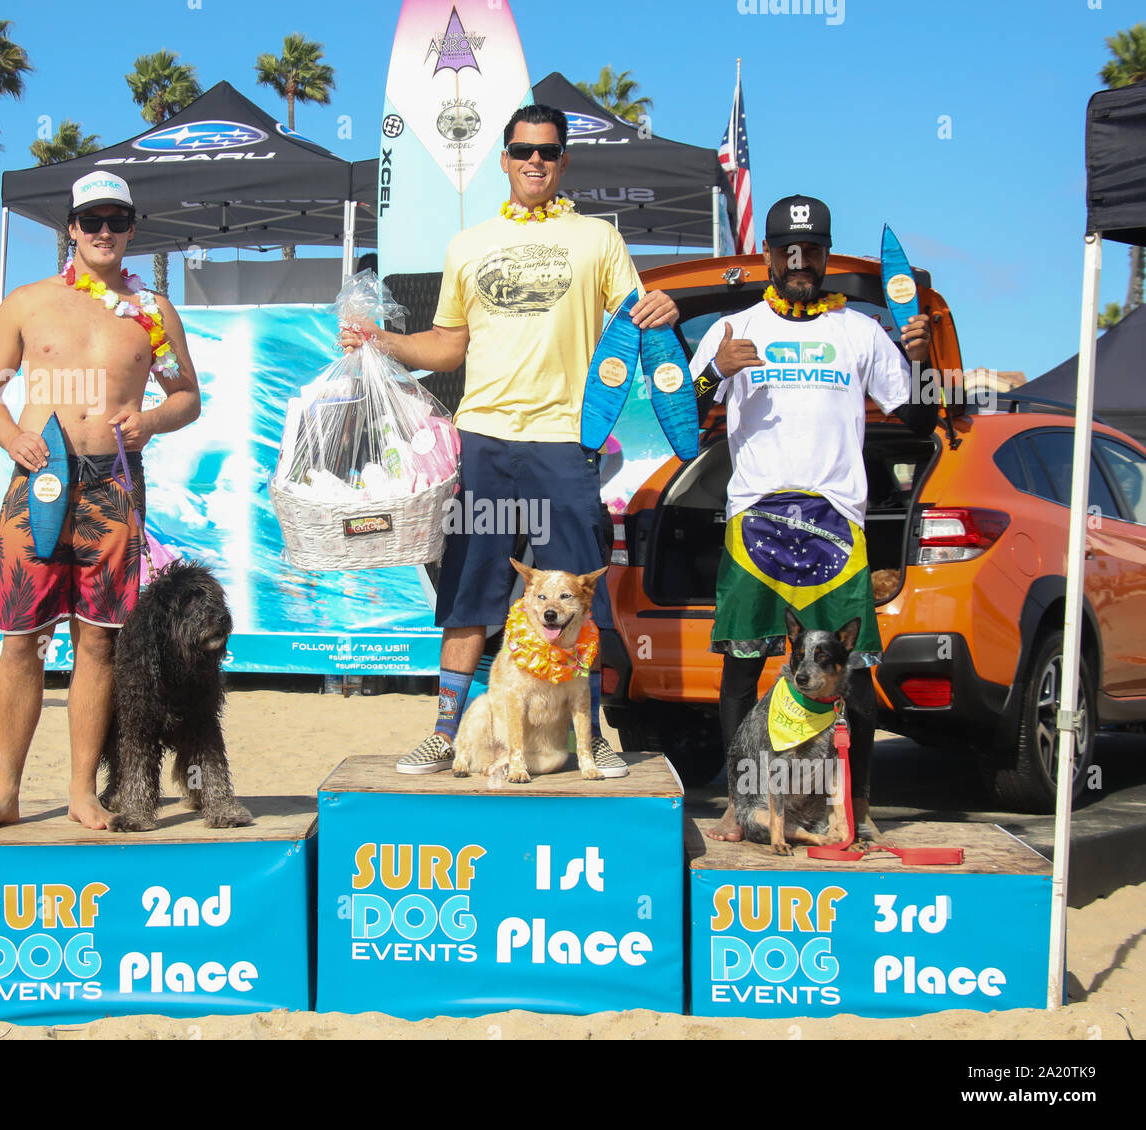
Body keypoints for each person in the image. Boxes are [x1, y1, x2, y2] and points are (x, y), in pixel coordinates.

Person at [340, 104, 678, 776]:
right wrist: (383, 342)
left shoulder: (598, 239)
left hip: (563, 442)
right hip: (484, 439)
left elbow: (639, 318)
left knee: (578, 593)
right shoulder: (468, 244)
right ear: (503, 158)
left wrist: (664, 307)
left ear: (563, 161)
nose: (535, 161)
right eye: (523, 150)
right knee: (469, 592)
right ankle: (444, 732)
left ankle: (593, 738)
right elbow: (446, 346)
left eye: (548, 152)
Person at [0, 171, 201, 832]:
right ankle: (5, 792)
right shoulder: (29, 303)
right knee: (20, 642)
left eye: (115, 221)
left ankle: (79, 792)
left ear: (130, 229)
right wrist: (11, 437)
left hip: (114, 486)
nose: (102, 232)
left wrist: (150, 421)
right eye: (90, 220)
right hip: (38, 481)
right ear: (70, 227)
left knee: (98, 643)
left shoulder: (151, 312)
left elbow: (187, 396)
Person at [690, 194, 935, 841]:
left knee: (851, 677)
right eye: (788, 251)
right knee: (744, 668)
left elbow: (918, 418)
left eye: (813, 251)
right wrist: (716, 372)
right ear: (769, 255)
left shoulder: (860, 331)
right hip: (757, 519)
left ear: (824, 256)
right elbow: (677, 423)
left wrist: (925, 356)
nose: (800, 261)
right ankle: (744, 809)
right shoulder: (735, 329)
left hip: (835, 521)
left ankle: (855, 807)